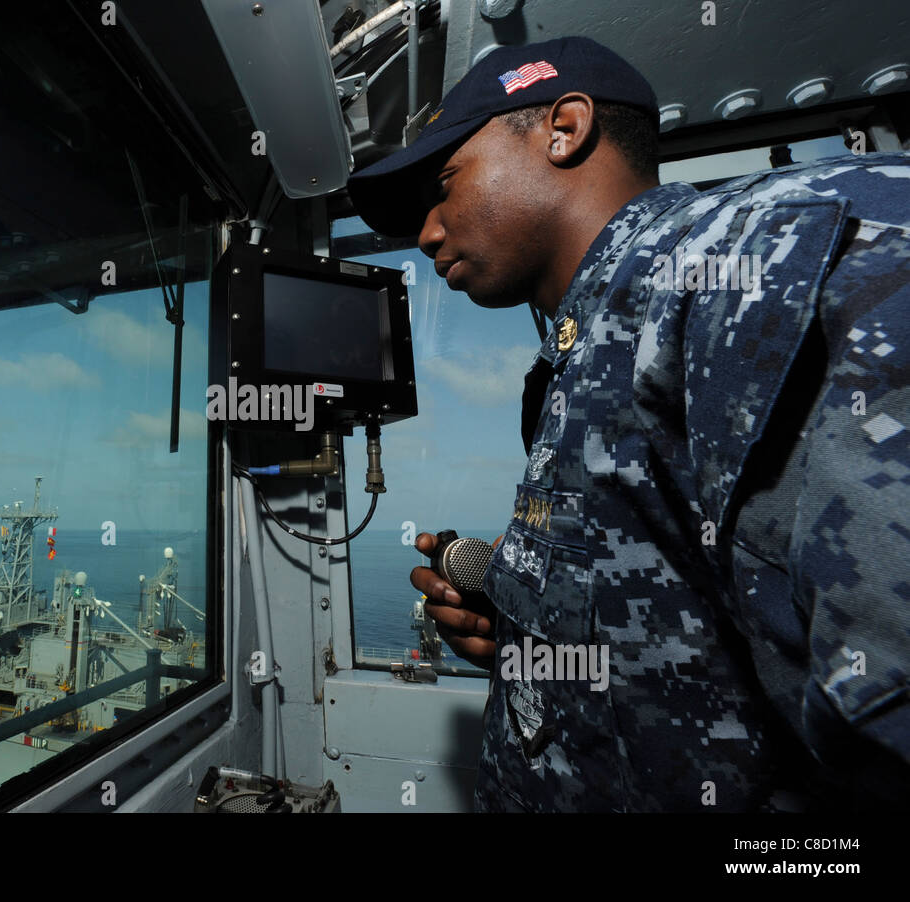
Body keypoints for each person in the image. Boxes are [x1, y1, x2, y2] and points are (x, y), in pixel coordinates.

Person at [347, 35, 910, 811]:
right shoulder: (588, 345)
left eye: (444, 184)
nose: (425, 233)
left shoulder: (757, 263)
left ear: (563, 128)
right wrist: (526, 642)